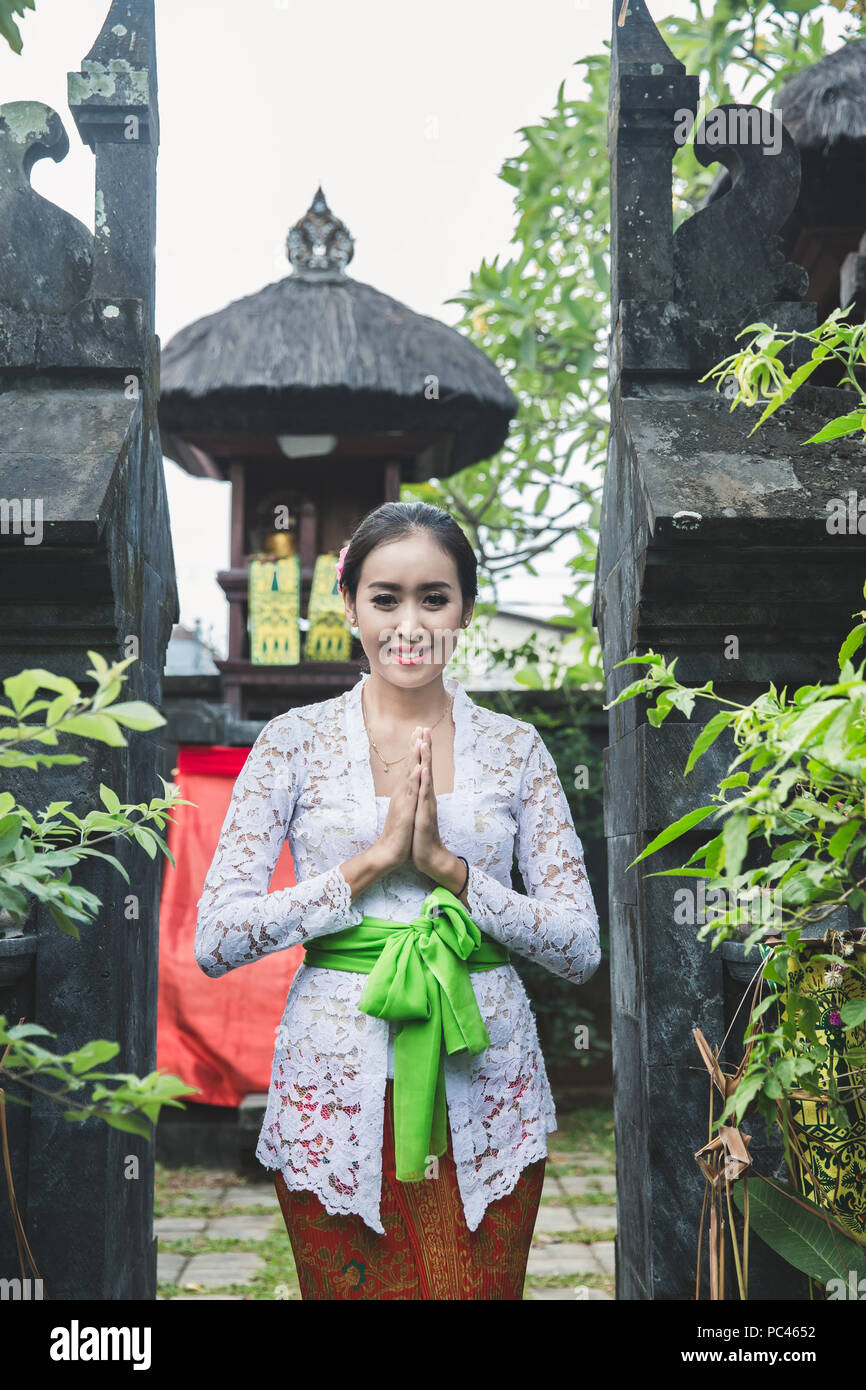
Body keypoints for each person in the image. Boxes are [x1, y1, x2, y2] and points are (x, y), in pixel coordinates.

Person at [194, 500, 601, 1300]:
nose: (408, 623)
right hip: (332, 1075)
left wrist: (453, 872)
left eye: (433, 598)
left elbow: (579, 946)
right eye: (385, 598)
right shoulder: (292, 742)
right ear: (348, 604)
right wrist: (369, 866)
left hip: (487, 1072)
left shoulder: (518, 749)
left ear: (467, 610)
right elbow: (218, 938)